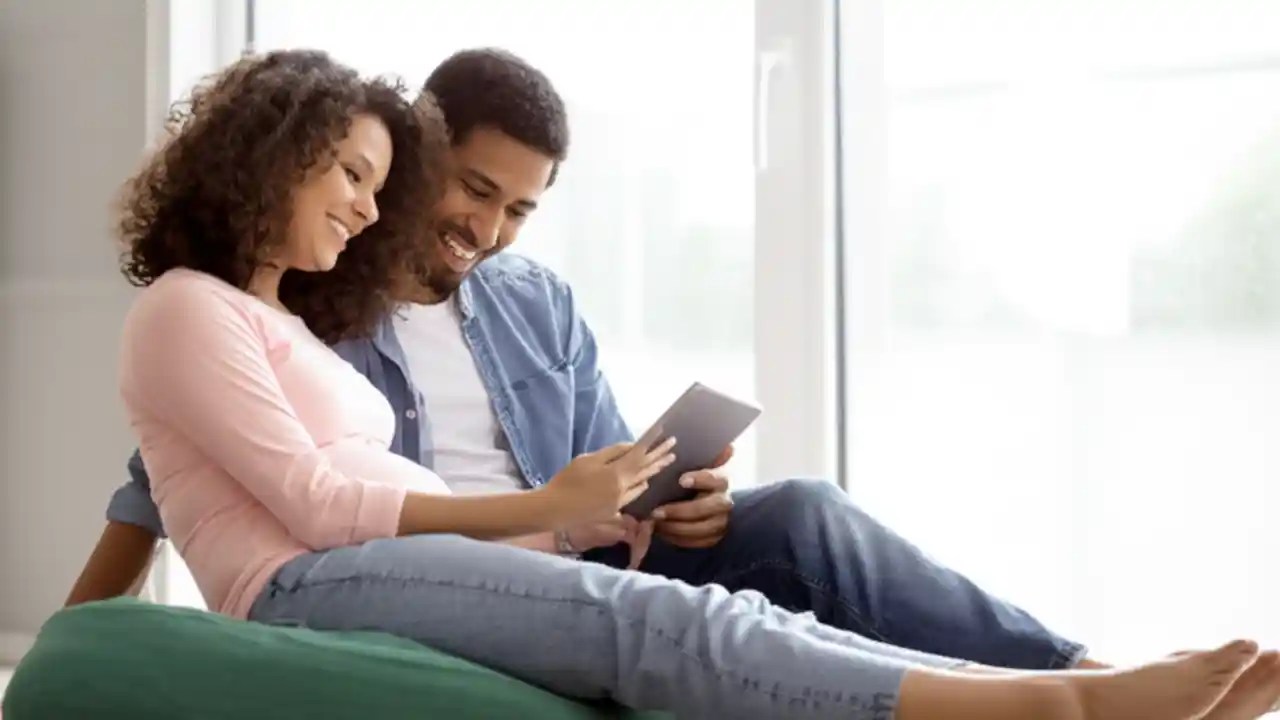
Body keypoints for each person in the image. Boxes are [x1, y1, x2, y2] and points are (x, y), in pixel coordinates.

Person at [82, 48, 1280, 720]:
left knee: (801, 515)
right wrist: (78, 643)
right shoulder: (296, 308)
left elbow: (612, 463)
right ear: (421, 156)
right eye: (472, 192)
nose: (488, 230)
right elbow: (183, 475)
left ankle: (1074, 673)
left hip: (569, 544)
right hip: (431, 556)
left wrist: (662, 498)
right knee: (682, 629)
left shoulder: (520, 300)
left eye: (519, 210)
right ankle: (1052, 711)